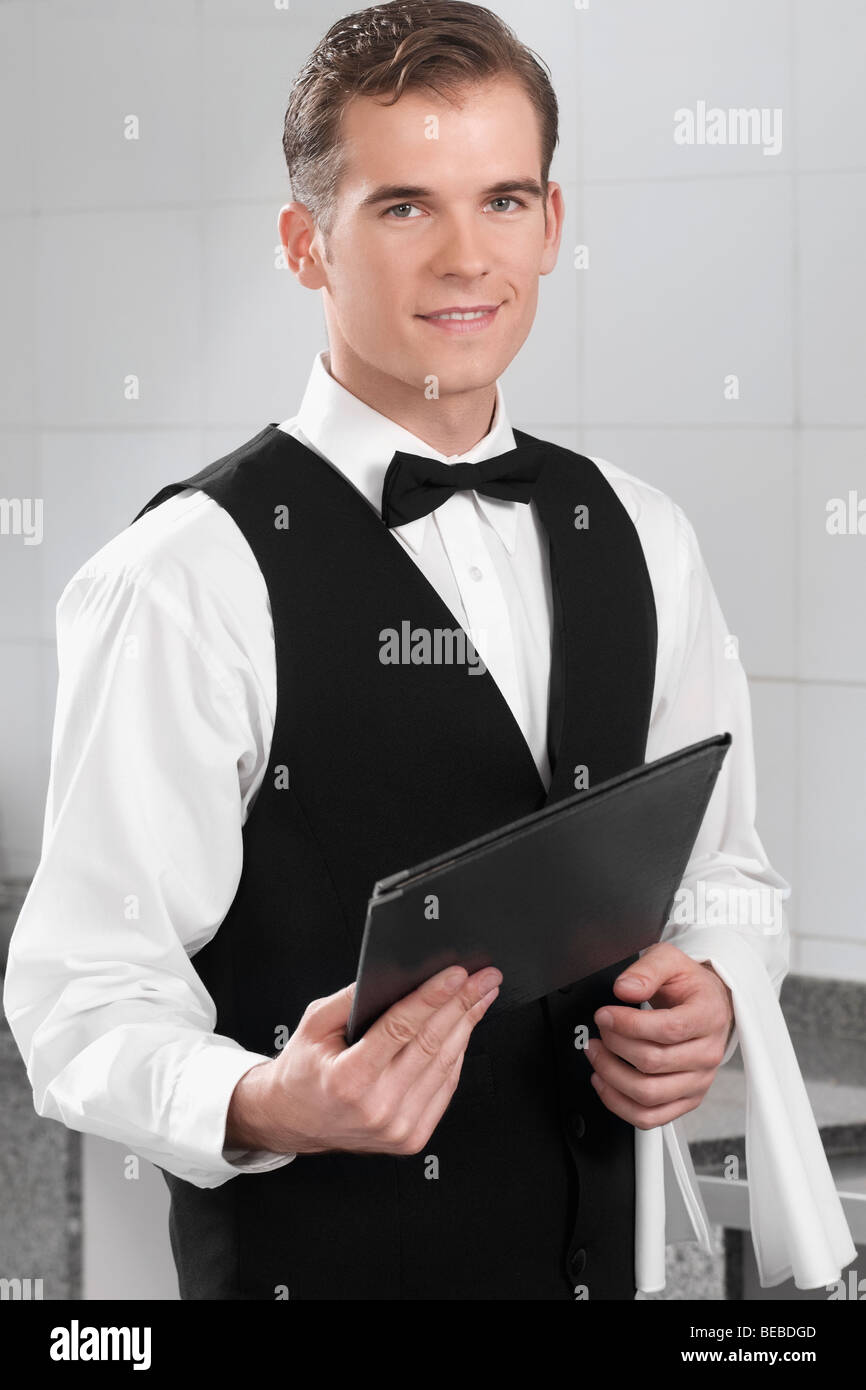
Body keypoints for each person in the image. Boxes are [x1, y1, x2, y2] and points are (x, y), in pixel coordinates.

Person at [5, 1, 847, 1302]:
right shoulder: (183, 576)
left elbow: (724, 870)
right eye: (405, 207)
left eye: (503, 200)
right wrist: (268, 1097)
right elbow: (80, 1001)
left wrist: (717, 992)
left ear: (552, 225)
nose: (467, 257)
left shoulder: (644, 535)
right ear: (305, 244)